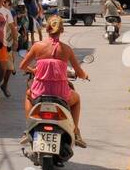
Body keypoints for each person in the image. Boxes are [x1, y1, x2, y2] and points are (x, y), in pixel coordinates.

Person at [22, 13, 89, 146]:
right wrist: (84, 76)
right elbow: (79, 72)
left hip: (39, 93)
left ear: (46, 29)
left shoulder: (37, 46)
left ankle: (28, 129)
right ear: (62, 30)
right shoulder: (67, 50)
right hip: (61, 95)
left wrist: (33, 70)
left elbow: (22, 66)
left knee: (28, 95)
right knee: (77, 99)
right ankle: (75, 132)